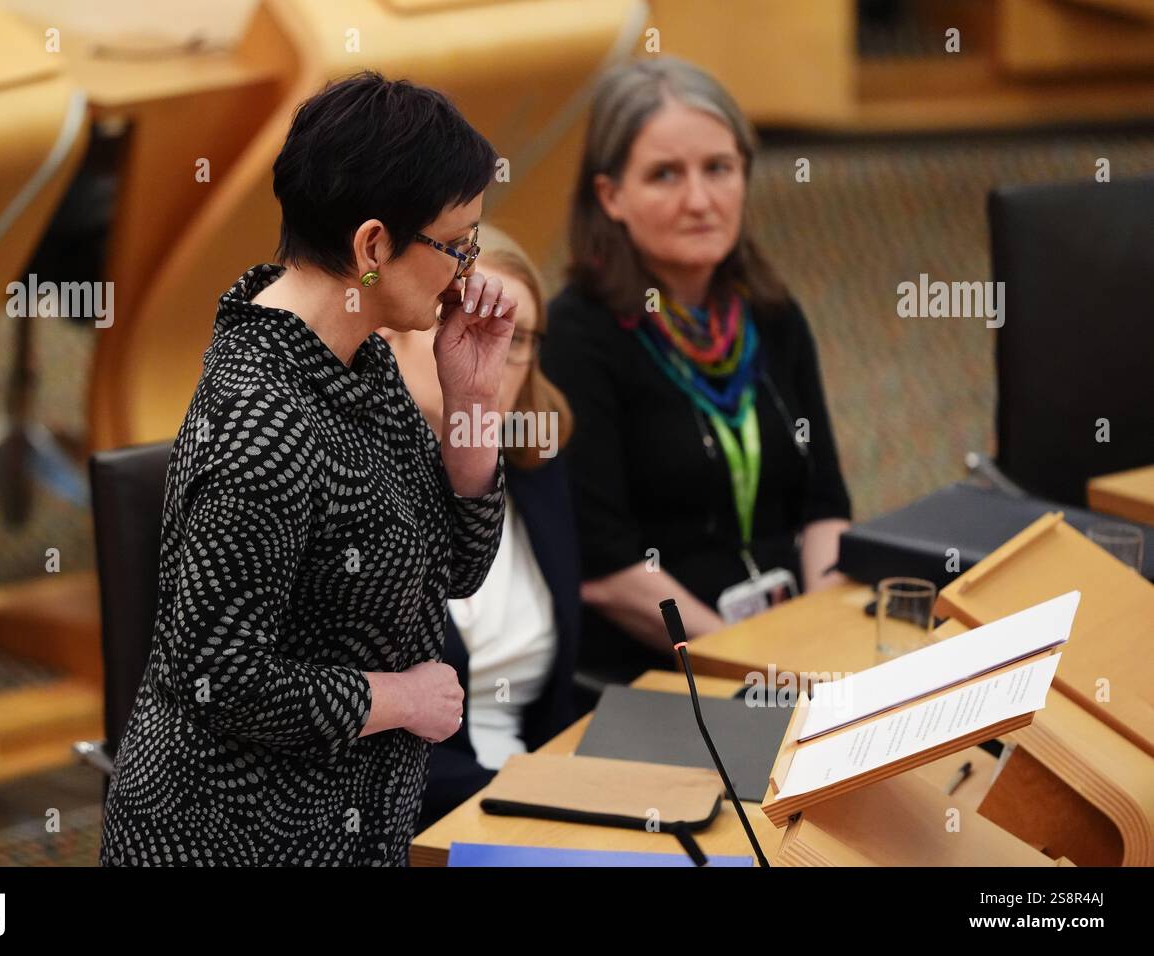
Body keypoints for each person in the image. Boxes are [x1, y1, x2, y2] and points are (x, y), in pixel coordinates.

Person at [99, 71, 520, 866]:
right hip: (235, 840)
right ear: (370, 247)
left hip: (343, 826)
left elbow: (454, 568)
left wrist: (470, 396)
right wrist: (396, 698)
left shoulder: (354, 362)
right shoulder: (262, 421)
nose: (468, 271)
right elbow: (218, 678)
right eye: (456, 244)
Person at [541, 56, 852, 692]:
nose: (700, 200)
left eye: (718, 168)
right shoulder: (578, 336)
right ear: (611, 196)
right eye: (664, 175)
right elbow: (606, 569)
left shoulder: (769, 311)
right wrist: (745, 661)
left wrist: (820, 630)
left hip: (788, 644)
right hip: (660, 668)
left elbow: (825, 507)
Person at [382, 225, 580, 831]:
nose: (487, 351)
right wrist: (532, 808)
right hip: (416, 822)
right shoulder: (349, 486)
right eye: (464, 320)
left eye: (514, 337)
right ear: (396, 331)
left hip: (535, 791)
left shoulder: (534, 472)